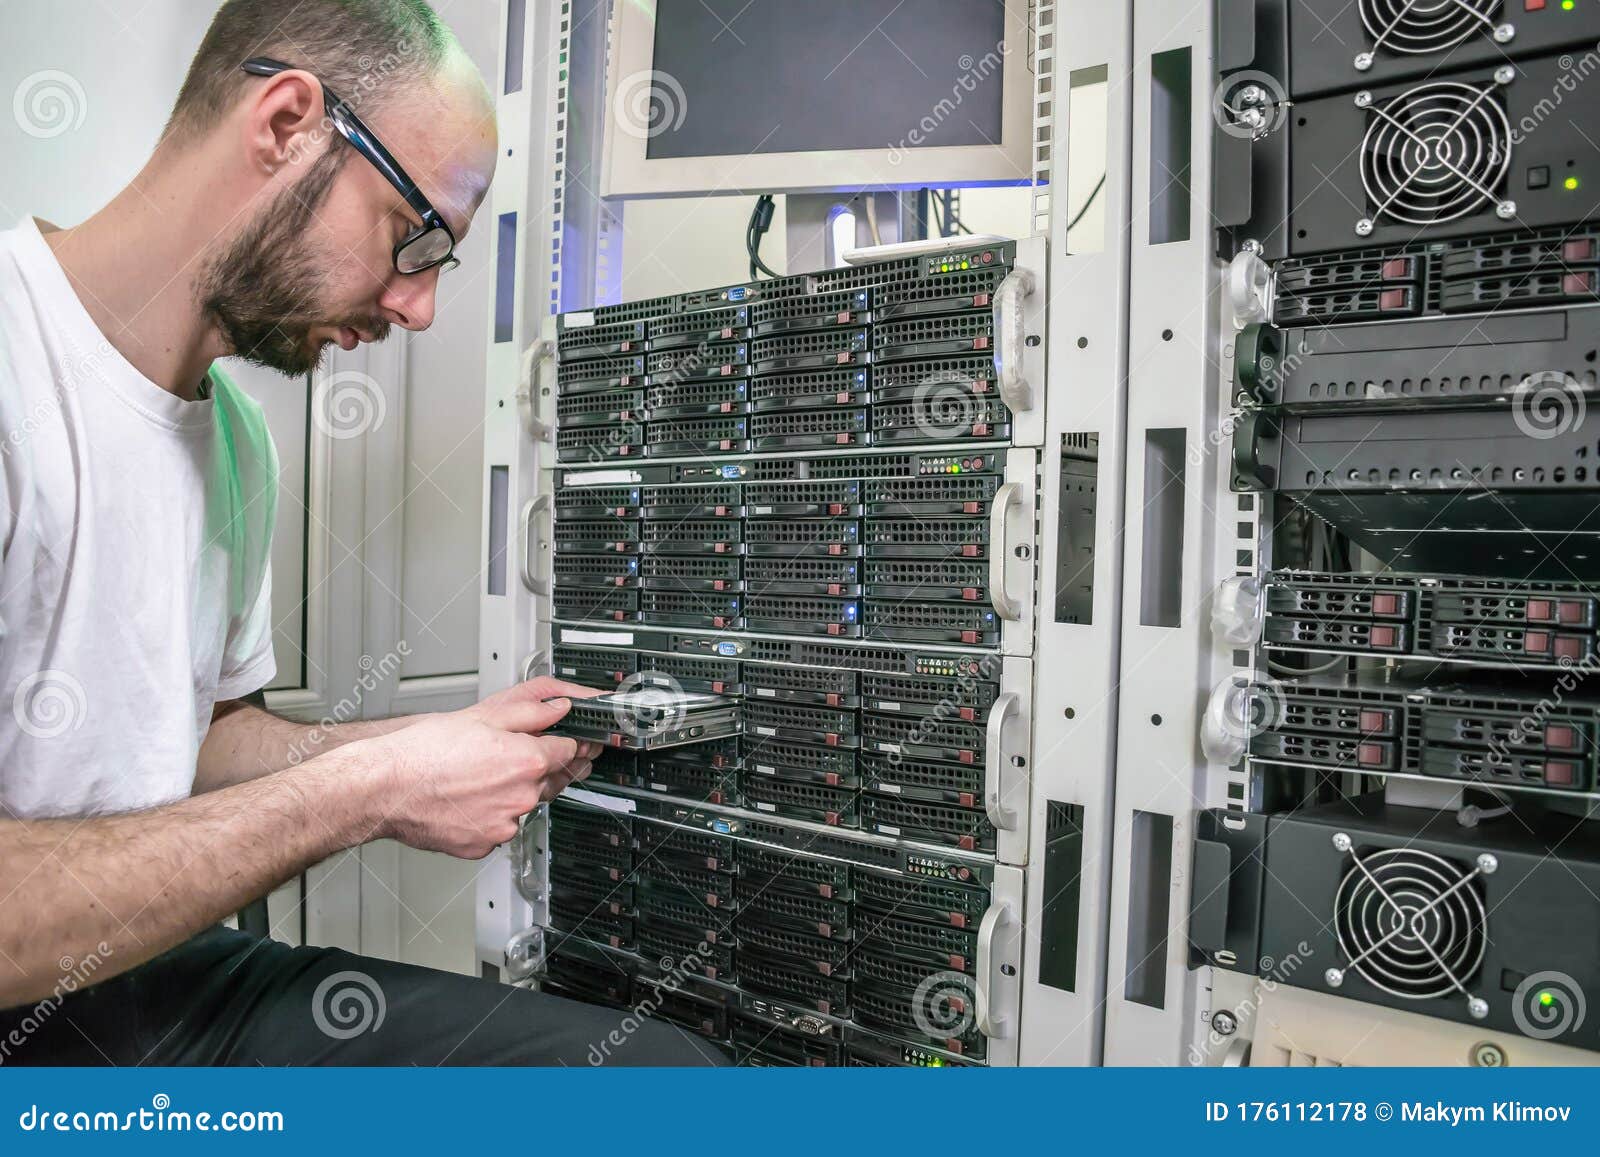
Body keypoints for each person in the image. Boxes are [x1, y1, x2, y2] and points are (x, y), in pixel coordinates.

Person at [0, 0, 723, 1067]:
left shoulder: (237, 440)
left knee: (659, 1078)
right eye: (414, 235)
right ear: (288, 124)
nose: (420, 308)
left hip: (148, 978)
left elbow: (195, 741)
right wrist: (364, 793)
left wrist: (419, 747)